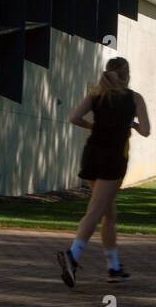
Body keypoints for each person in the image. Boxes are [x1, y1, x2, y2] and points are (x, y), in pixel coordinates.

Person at [56, 57, 150, 288]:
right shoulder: (134, 98)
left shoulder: (96, 95)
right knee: (96, 211)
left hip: (91, 156)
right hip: (113, 159)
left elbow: (73, 117)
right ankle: (73, 255)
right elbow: (147, 131)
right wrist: (134, 125)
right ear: (127, 75)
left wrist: (94, 127)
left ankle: (113, 267)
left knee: (109, 213)